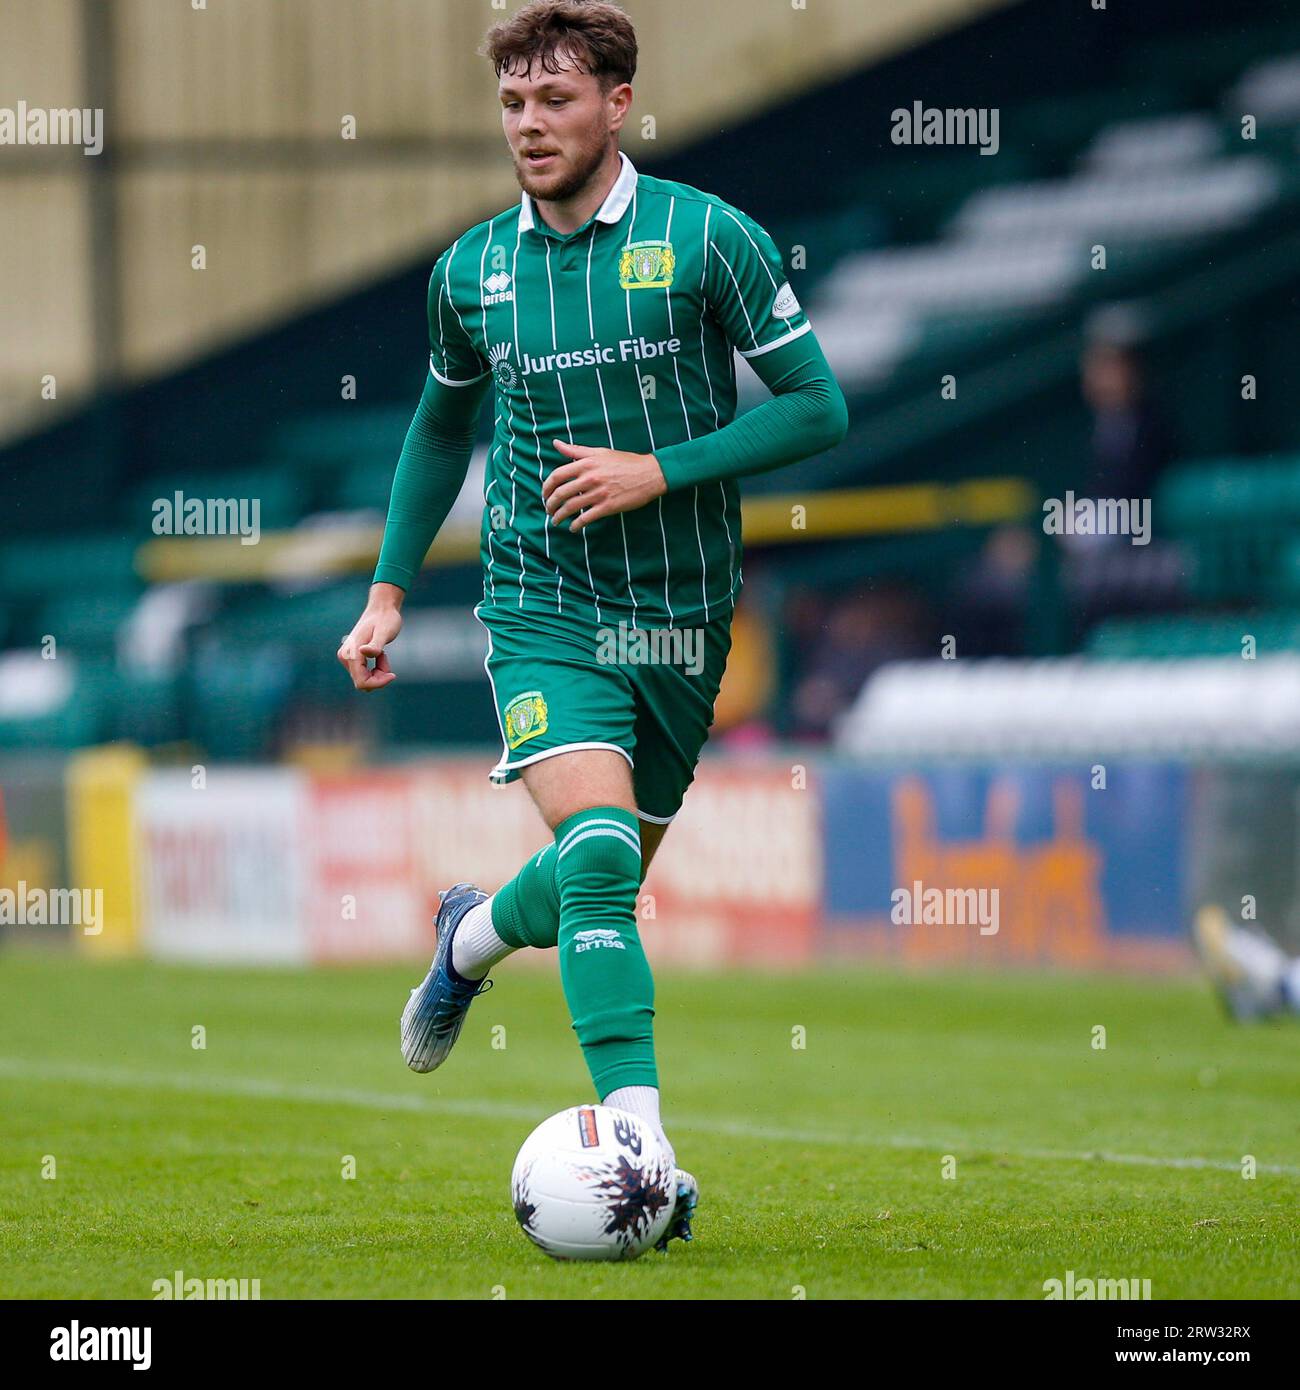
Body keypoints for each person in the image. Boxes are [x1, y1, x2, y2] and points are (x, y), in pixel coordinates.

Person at [336, 0, 847, 1250]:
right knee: (603, 855)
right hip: (541, 604)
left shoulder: (707, 239)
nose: (529, 124)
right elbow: (439, 427)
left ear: (617, 102)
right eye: (512, 103)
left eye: (554, 100)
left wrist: (659, 469)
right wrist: (390, 587)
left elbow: (817, 408)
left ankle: (464, 941)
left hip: (680, 616)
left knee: (596, 874)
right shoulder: (471, 271)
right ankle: (642, 1146)